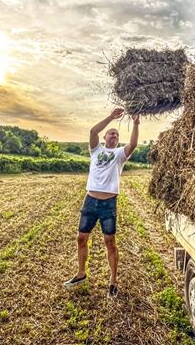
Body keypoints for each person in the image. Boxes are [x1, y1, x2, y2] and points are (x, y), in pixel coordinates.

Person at [64, 108, 140, 298]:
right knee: (81, 238)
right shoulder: (96, 150)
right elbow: (92, 132)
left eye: (117, 134)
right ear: (105, 136)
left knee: (110, 241)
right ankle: (81, 274)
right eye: (111, 133)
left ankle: (113, 281)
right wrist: (111, 117)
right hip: (90, 200)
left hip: (108, 204)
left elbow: (133, 144)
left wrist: (136, 124)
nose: (114, 135)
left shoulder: (120, 154)